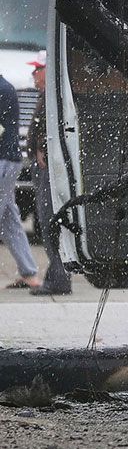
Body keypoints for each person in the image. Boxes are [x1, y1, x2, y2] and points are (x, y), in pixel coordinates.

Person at [26, 52, 71, 296]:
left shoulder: (53, 97)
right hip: (42, 166)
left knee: (49, 219)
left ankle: (59, 277)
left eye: (37, 69)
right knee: (47, 221)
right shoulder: (47, 96)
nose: (33, 75)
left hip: (47, 169)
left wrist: (42, 147)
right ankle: (56, 274)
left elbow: (51, 126)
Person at [0, 71, 41, 289]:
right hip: (9, 160)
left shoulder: (2, 89)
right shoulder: (5, 88)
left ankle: (30, 273)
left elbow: (2, 129)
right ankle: (29, 273)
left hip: (3, 161)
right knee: (9, 220)